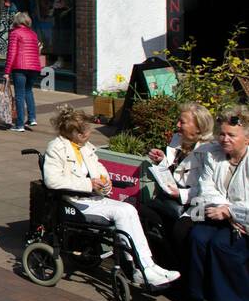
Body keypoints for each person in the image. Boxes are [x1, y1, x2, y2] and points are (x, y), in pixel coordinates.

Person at [42, 105, 179, 289]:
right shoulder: (56, 148)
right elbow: (52, 181)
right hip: (74, 202)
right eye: (86, 131)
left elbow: (99, 170)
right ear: (75, 133)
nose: (89, 133)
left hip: (93, 199)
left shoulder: (86, 148)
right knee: (122, 212)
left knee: (130, 210)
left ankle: (149, 265)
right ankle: (140, 268)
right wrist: (89, 184)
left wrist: (105, 182)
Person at [183, 105, 249, 301]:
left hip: (243, 222)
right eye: (222, 133)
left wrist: (231, 211)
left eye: (231, 135)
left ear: (247, 138)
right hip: (220, 214)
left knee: (224, 245)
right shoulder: (214, 154)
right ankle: (208, 297)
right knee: (198, 238)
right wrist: (224, 209)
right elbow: (206, 187)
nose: (224, 139)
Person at [138, 102, 216, 269]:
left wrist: (180, 194)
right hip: (173, 197)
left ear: (199, 127)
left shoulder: (209, 151)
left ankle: (183, 272)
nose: (177, 125)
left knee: (182, 231)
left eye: (183, 122)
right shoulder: (178, 139)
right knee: (145, 212)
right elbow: (176, 170)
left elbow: (207, 187)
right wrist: (162, 161)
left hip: (198, 202)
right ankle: (160, 264)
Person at [2, 11, 42, 132]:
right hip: (34, 67)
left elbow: (12, 53)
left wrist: (6, 71)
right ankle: (32, 118)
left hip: (20, 67)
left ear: (17, 21)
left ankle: (19, 124)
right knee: (28, 91)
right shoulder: (33, 34)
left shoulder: (15, 33)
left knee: (19, 95)